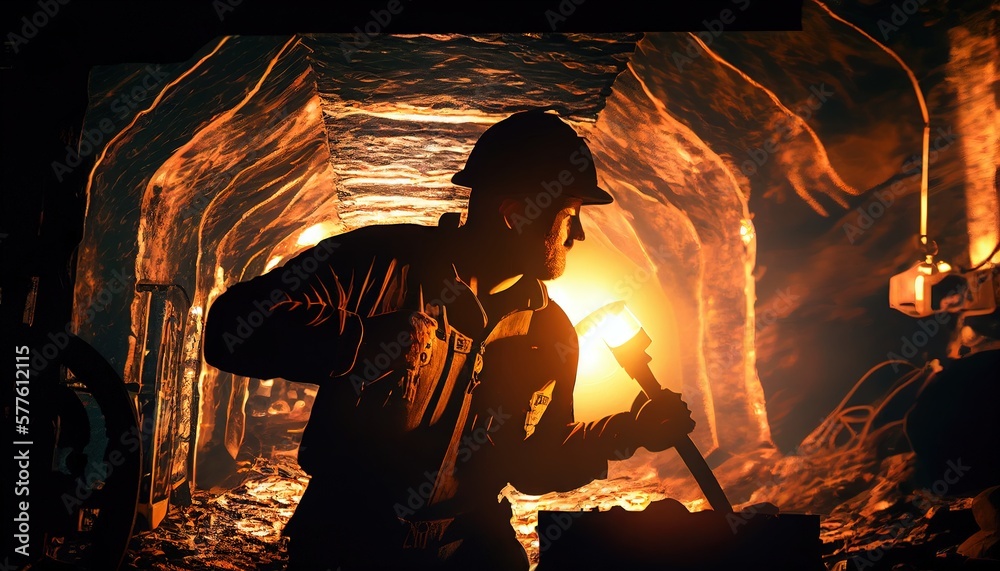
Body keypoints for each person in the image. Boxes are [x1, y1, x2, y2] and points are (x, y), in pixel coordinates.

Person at [204, 110, 695, 570]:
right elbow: (230, 330)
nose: (578, 235)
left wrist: (625, 431)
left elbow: (532, 464)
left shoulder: (550, 332)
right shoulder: (377, 265)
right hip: (350, 546)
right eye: (570, 215)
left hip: (471, 551)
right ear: (515, 214)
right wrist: (360, 340)